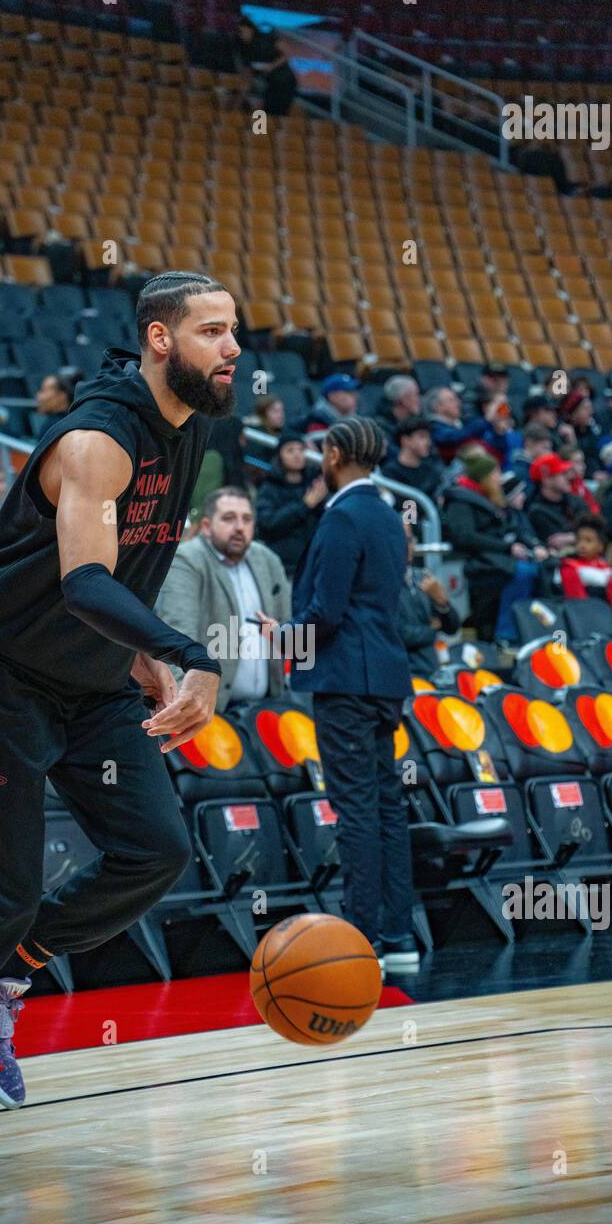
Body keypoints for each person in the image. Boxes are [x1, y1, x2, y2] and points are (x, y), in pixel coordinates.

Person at [0, 270, 236, 1170]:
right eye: (211, 332)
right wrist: (193, 654)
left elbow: (135, 570)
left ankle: (3, 980)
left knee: (155, 850)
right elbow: (85, 578)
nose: (233, 348)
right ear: (160, 340)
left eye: (233, 331)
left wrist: (148, 662)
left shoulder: (192, 425)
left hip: (92, 686)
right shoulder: (95, 441)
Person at [255, 417, 418, 973]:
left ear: (335, 453)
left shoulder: (344, 516)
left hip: (347, 678)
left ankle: (362, 937)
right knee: (386, 806)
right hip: (385, 677)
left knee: (355, 809)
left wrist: (281, 635)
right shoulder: (391, 516)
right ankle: (399, 938)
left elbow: (326, 612)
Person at [155, 487, 290, 711]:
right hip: (212, 710)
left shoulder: (267, 559)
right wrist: (184, 706)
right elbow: (177, 635)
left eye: (246, 519)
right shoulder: (186, 560)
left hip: (268, 707)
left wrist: (281, 635)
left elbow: (290, 629)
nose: (239, 527)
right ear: (206, 526)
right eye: (229, 518)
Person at [444, 449, 547, 643]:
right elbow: (464, 537)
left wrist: (533, 545)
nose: (500, 478)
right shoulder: (460, 500)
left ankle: (531, 629)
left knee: (540, 568)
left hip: (497, 555)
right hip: (478, 560)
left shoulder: (488, 498)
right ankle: (506, 633)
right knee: (523, 571)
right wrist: (506, 547)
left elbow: (513, 529)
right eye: (496, 473)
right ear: (484, 476)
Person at [254, 430, 328, 577]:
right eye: (290, 450)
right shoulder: (269, 488)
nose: (297, 454)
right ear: (279, 455)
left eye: (301, 450)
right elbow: (267, 524)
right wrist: (305, 505)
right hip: (283, 568)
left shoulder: (313, 484)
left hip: (314, 565)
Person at [398, 525, 460, 676]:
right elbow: (399, 634)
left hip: (432, 668)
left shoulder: (423, 577)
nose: (407, 546)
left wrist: (443, 604)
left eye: (409, 540)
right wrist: (432, 629)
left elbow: (452, 628)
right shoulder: (379, 583)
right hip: (404, 672)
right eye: (400, 540)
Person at [423, 385, 512, 466]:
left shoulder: (463, 424)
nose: (458, 403)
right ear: (438, 407)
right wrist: (487, 419)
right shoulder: (433, 427)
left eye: (457, 399)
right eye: (451, 400)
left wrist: (498, 432)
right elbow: (454, 438)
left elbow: (497, 454)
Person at [559, 516, 612, 619]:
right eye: (579, 540)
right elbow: (578, 601)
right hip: (588, 616)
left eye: (588, 541)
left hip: (607, 612)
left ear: (600, 546)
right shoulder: (569, 567)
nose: (582, 545)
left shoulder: (605, 568)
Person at [526, 452, 590, 552]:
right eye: (562, 474)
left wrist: (572, 537)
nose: (568, 477)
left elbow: (596, 530)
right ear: (546, 480)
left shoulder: (575, 501)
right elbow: (556, 544)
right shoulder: (536, 511)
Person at [382, 415, 444, 506]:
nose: (428, 442)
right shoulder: (390, 473)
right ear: (405, 440)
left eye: (428, 437)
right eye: (422, 437)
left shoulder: (431, 472)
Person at [32, 368, 83, 439]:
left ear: (62, 396)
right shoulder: (80, 421)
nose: (38, 396)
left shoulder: (52, 428)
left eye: (43, 390)